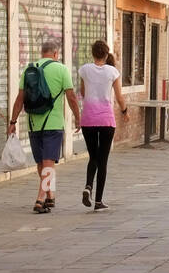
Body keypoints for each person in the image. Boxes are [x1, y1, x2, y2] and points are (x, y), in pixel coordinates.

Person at [8, 39, 81, 214]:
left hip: (33, 123)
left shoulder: (29, 69)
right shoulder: (62, 69)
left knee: (41, 162)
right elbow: (71, 97)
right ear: (56, 54)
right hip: (53, 122)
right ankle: (41, 198)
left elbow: (20, 98)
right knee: (48, 162)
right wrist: (78, 118)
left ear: (42, 53)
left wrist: (13, 121)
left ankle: (50, 195)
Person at [77, 39, 127, 211]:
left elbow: (82, 93)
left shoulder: (84, 70)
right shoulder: (112, 72)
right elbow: (119, 97)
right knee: (103, 160)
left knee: (93, 157)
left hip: (88, 119)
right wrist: (124, 111)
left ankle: (88, 186)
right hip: (106, 120)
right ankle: (98, 201)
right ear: (106, 54)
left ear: (93, 53)